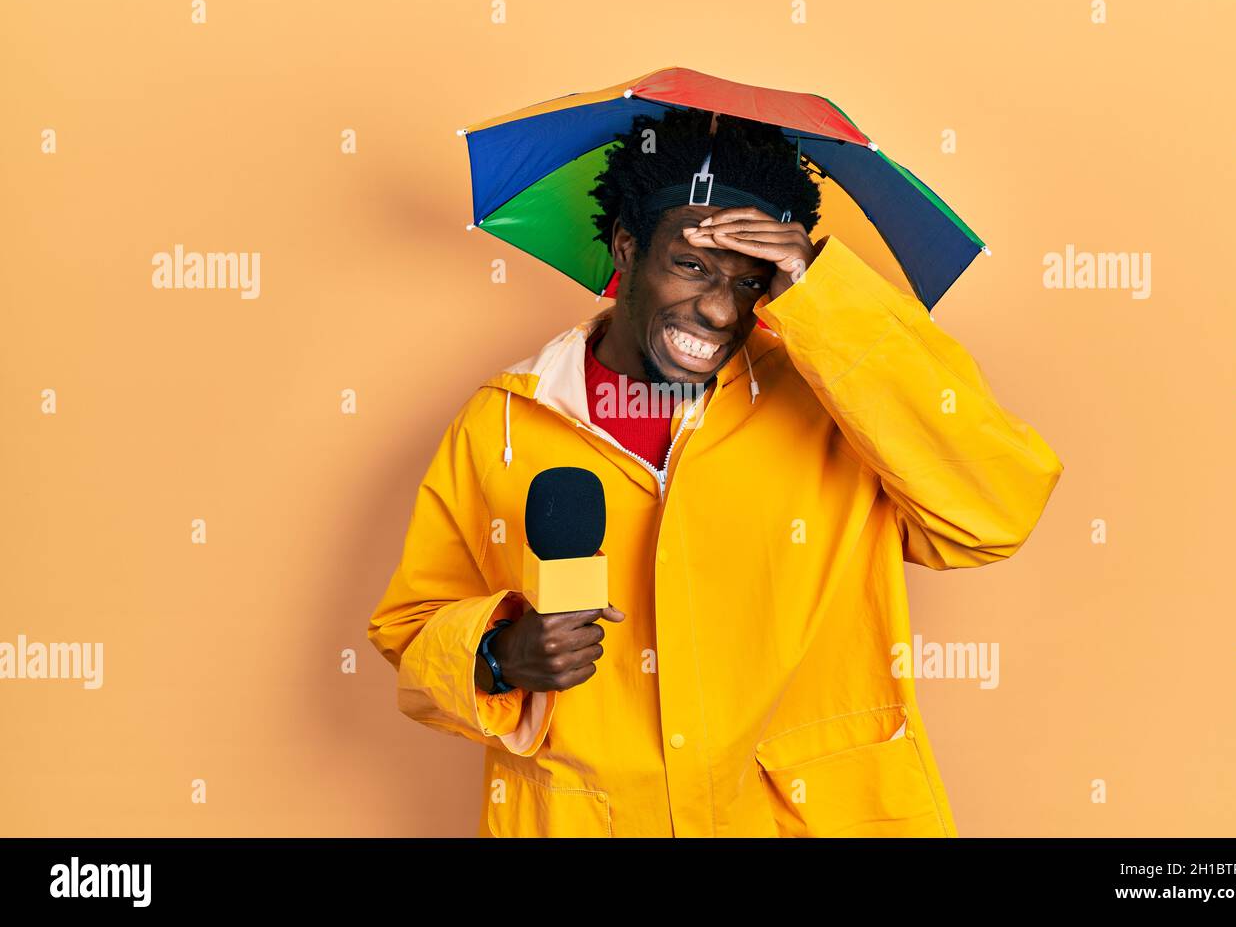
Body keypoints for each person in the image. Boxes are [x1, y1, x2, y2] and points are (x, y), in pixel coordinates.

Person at [367, 108, 1064, 837]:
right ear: (626, 248)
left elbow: (997, 511)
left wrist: (825, 297)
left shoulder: (838, 401)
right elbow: (412, 630)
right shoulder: (504, 422)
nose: (717, 307)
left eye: (750, 281)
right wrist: (498, 655)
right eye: (693, 264)